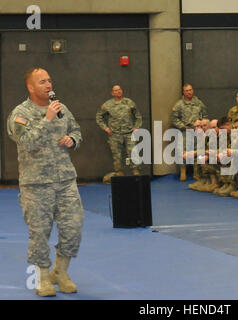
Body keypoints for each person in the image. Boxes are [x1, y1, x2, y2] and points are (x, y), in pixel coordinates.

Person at [7, 67, 84, 297]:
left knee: (74, 226)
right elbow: (27, 142)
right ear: (30, 87)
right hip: (36, 184)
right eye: (42, 82)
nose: (48, 85)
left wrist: (73, 139)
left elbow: (77, 130)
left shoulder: (61, 108)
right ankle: (42, 278)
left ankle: (60, 271)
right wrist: (47, 120)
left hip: (65, 180)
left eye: (49, 80)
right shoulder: (20, 114)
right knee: (40, 233)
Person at [96, 85, 142, 180]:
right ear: (112, 93)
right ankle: (119, 173)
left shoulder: (129, 102)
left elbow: (138, 116)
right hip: (115, 135)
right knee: (117, 155)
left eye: (119, 89)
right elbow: (99, 117)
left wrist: (136, 127)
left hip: (129, 133)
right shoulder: (107, 105)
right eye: (116, 90)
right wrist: (106, 128)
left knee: (133, 153)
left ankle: (136, 172)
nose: (118, 92)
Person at [171, 83, 208, 181]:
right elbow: (174, 119)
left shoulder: (199, 103)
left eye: (190, 90)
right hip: (185, 131)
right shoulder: (179, 104)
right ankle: (183, 172)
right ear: (183, 92)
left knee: (198, 150)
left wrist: (202, 125)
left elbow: (205, 115)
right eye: (187, 90)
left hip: (198, 131)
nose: (189, 92)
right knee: (181, 151)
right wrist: (183, 126)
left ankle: (196, 173)